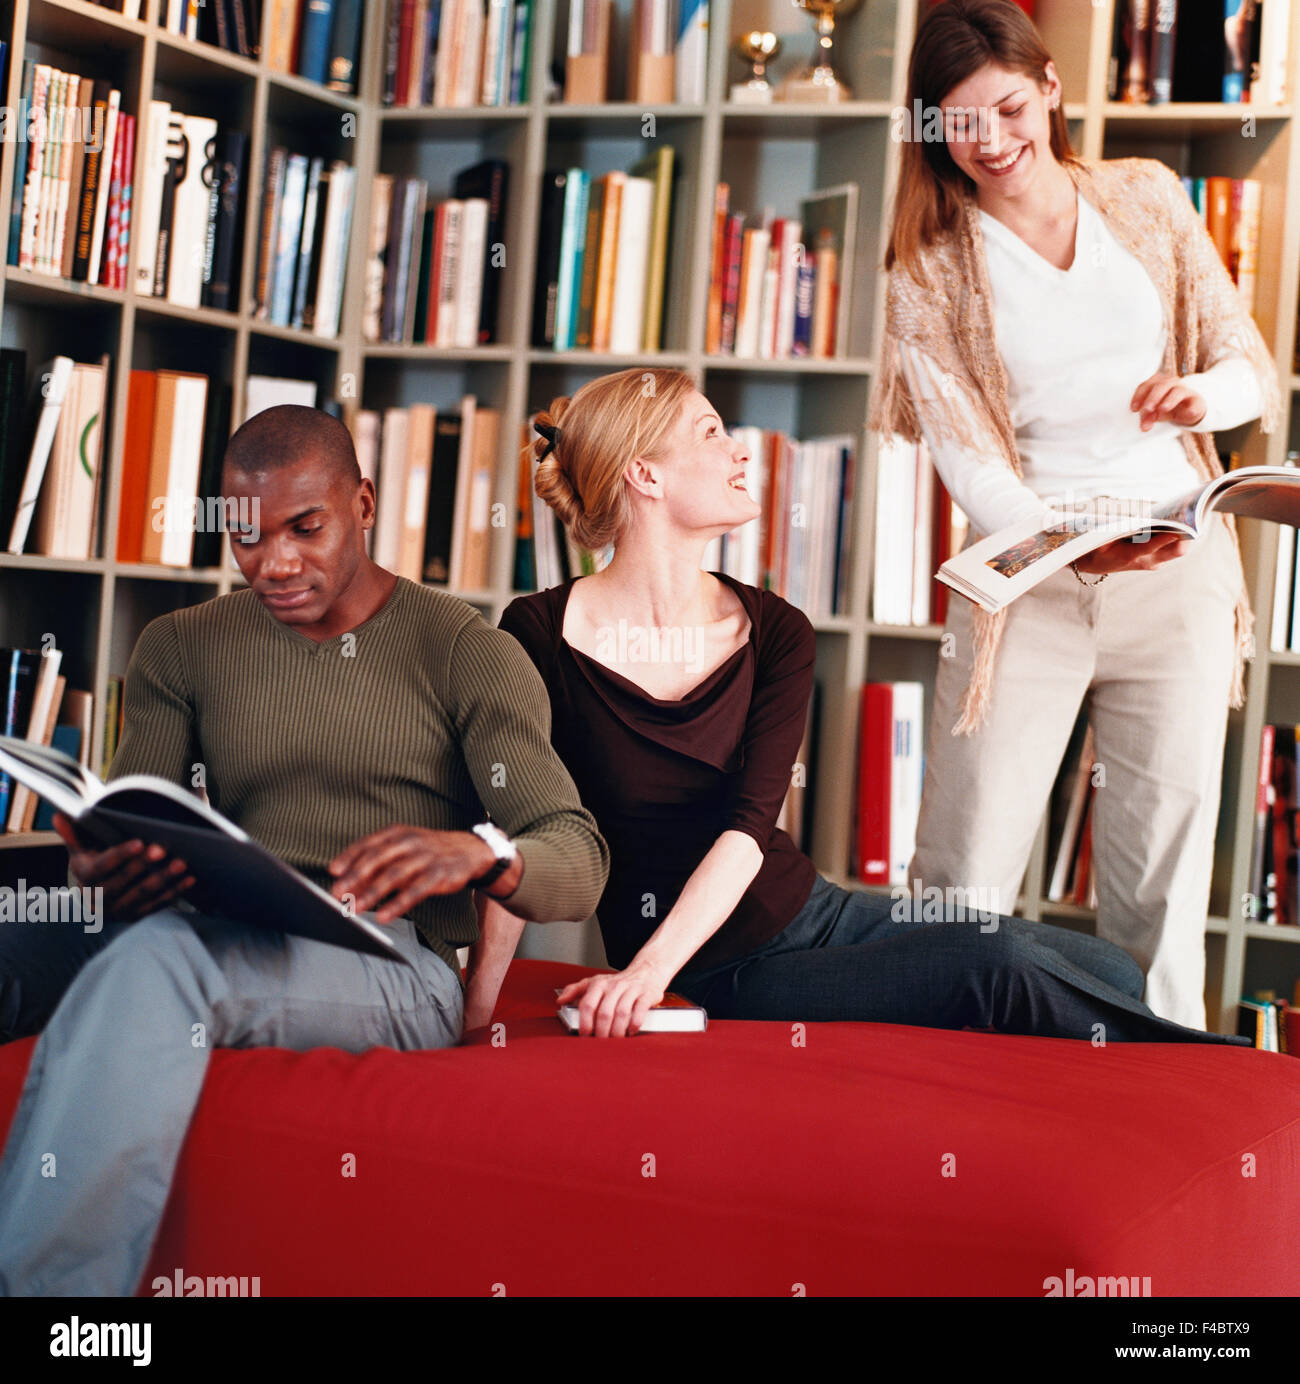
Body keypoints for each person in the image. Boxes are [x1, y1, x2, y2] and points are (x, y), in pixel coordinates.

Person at [0, 404, 608, 1295]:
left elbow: (576, 855)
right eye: (246, 536)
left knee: (165, 960)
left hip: (393, 960)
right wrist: (101, 867)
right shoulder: (184, 645)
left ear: (362, 503)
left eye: (305, 528)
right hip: (222, 916)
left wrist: (480, 855)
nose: (274, 563)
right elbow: (139, 817)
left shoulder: (464, 652)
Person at [463, 365, 1251, 1050]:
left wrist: (642, 974)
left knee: (1105, 967)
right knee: (1001, 970)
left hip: (816, 912)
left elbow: (749, 828)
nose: (741, 450)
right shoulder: (537, 631)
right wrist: (481, 1014)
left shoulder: (776, 629)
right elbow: (516, 830)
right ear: (646, 475)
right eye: (711, 433)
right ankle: (1234, 1071)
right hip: (724, 969)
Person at [868, 0, 1281, 1029]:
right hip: (1028, 588)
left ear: (1048, 89)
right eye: (961, 126)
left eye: (1010, 108)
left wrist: (1201, 398)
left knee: (1161, 878)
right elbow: (969, 461)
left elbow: (1250, 368)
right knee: (963, 868)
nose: (995, 143)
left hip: (1177, 575)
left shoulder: (1143, 197)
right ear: (930, 133)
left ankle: (1164, 1091)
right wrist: (1072, 545)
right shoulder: (923, 267)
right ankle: (934, 1079)